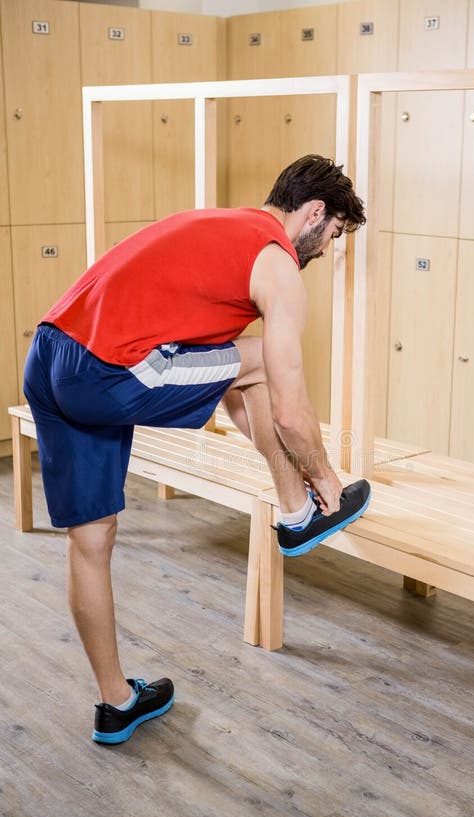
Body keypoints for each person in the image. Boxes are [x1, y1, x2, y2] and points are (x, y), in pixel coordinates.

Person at [23, 154, 370, 745]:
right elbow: (285, 405)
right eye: (333, 235)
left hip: (51, 357)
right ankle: (300, 516)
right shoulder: (276, 263)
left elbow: (233, 393)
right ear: (315, 213)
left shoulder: (221, 230)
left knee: (90, 539)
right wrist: (328, 480)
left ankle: (116, 704)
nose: (325, 250)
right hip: (109, 372)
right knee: (262, 360)